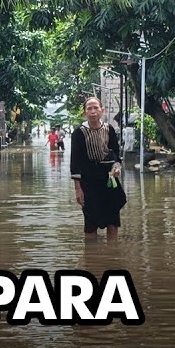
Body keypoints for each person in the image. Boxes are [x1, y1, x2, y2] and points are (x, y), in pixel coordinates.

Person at [70, 97, 125, 241]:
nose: (93, 111)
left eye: (96, 108)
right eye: (89, 108)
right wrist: (78, 189)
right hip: (88, 182)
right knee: (90, 222)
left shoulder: (109, 129)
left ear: (102, 110)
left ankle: (112, 254)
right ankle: (91, 258)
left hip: (109, 180)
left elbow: (116, 155)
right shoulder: (78, 133)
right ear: (84, 113)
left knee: (113, 220)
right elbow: (75, 163)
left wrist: (116, 167)